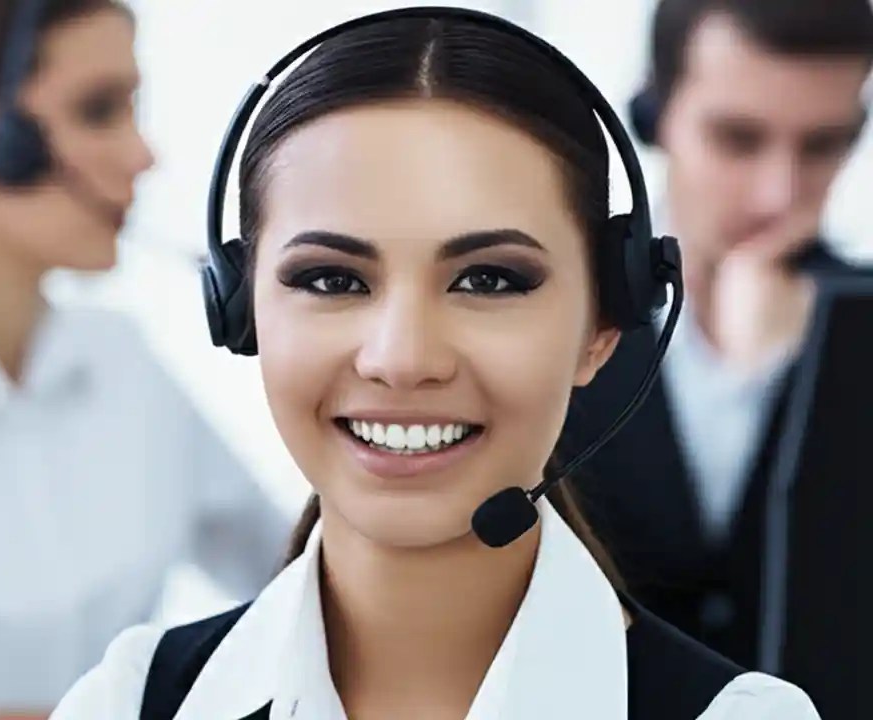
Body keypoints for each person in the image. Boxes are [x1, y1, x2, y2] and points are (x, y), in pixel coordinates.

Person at [50, 8, 820, 719]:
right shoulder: (127, 702)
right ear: (242, 312)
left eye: (488, 280)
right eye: (332, 279)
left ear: (603, 327)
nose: (402, 358)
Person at [0, 1, 291, 717]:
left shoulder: (120, 364)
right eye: (98, 110)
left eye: (132, 107)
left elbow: (297, 567)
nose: (144, 155)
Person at [568, 1, 871, 714]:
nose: (779, 193)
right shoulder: (553, 312)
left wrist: (797, 377)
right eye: (739, 139)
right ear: (655, 113)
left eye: (822, 146)